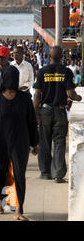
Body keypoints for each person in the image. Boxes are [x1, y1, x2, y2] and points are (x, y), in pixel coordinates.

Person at [0, 65, 39, 221]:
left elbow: (31, 121)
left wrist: (35, 143)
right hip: (0, 144)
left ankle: (18, 210)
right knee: (1, 173)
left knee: (19, 175)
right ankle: (1, 201)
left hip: (20, 143)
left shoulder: (24, 98)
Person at [33, 46, 82, 183]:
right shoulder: (66, 72)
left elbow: (37, 95)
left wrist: (34, 113)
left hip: (45, 111)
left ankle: (45, 172)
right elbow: (71, 94)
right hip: (60, 111)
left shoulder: (42, 72)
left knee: (44, 142)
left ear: (50, 56)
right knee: (59, 142)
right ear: (61, 57)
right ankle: (58, 174)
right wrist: (78, 98)